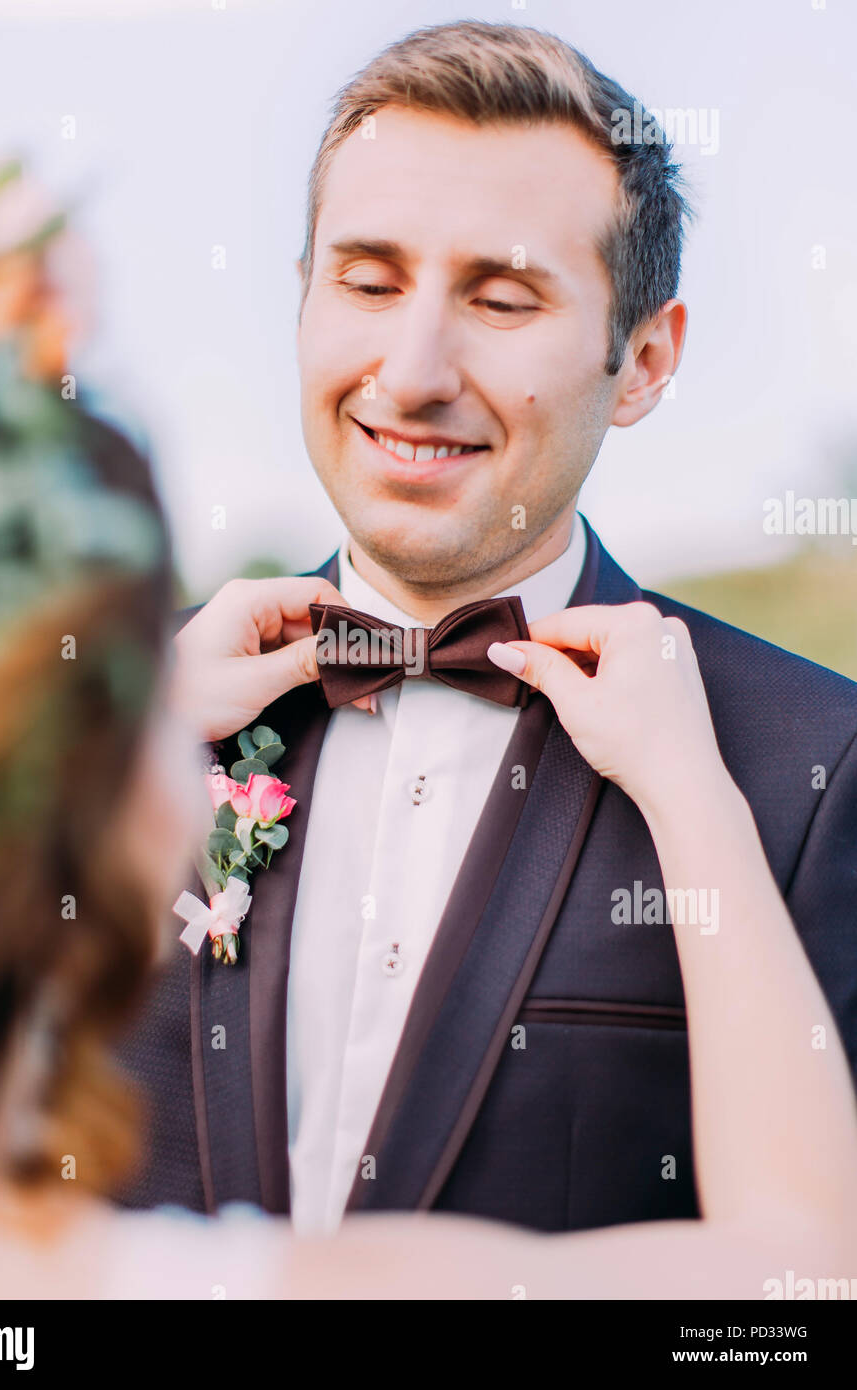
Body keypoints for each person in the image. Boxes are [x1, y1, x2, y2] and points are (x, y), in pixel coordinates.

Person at [119, 19, 857, 1238]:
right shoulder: (91, 730)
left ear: (641, 362)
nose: (410, 371)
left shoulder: (809, 765)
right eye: (365, 281)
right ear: (302, 297)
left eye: (500, 297)